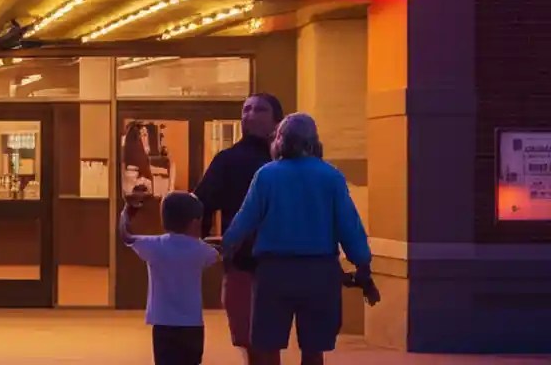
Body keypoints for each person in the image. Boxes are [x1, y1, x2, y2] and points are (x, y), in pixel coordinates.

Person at [221, 113, 377, 365]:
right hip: (319, 272)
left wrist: (228, 245)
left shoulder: (267, 175)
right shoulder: (331, 176)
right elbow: (349, 225)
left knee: (268, 345)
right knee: (314, 348)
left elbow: (244, 219)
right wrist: (362, 265)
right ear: (314, 142)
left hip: (273, 272)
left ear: (279, 141)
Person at [193, 92, 281, 362]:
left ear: (277, 120)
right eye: (246, 109)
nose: (250, 115)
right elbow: (202, 203)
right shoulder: (227, 159)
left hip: (279, 261)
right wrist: (199, 242)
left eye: (260, 110)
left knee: (268, 339)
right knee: (247, 337)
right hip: (241, 260)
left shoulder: (285, 163)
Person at [119, 191, 221, 365]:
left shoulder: (154, 246)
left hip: (163, 324)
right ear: (195, 222)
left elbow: (126, 236)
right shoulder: (200, 250)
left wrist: (127, 210)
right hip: (192, 326)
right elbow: (222, 249)